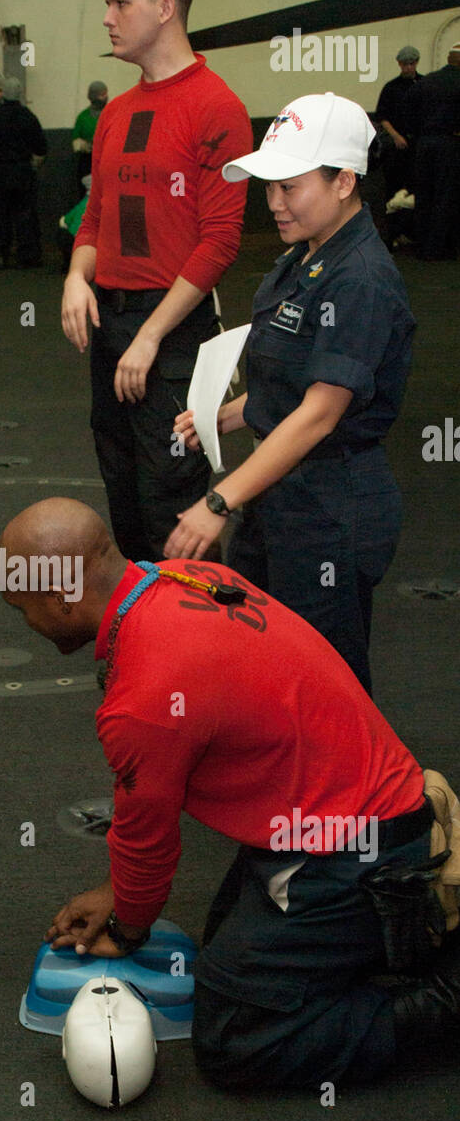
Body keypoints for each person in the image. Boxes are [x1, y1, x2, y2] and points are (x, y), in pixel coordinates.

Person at [0, 497, 460, 1092]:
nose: (27, 624)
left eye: (24, 609)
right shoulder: (189, 576)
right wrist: (120, 894)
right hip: (362, 803)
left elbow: (147, 839)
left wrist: (129, 925)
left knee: (234, 1037)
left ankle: (443, 996)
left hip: (356, 847)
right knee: (221, 954)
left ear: (62, 597)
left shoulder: (144, 698)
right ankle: (388, 930)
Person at [165, 93, 413, 696]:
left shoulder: (359, 280)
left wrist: (218, 501)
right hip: (281, 498)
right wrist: (224, 415)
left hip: (330, 508)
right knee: (262, 663)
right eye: (269, 186)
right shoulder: (304, 259)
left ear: (344, 181)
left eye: (290, 186)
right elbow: (290, 385)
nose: (273, 202)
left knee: (324, 685)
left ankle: (368, 765)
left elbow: (319, 416)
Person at [62, 0, 251, 566]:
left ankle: (196, 624)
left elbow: (220, 241)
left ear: (166, 8)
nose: (108, 18)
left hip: (172, 335)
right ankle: (147, 621)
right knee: (123, 495)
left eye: (121, 3)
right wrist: (76, 277)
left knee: (171, 507)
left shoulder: (216, 106)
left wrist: (150, 335)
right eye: (107, 4)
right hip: (111, 329)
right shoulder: (116, 113)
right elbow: (94, 220)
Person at [0, 76, 47, 268]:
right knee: (25, 214)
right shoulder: (28, 116)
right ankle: (27, 256)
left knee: (0, 214)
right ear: (19, 93)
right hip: (22, 171)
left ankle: (1, 255)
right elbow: (41, 147)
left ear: (3, 93)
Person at [412, 41, 460, 261]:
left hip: (423, 144)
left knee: (424, 195)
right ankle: (439, 248)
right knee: (445, 196)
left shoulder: (427, 81)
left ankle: (421, 246)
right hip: (449, 144)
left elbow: (408, 109)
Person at [374, 46, 422, 208]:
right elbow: (382, 116)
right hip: (396, 144)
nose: (408, 68)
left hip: (417, 143)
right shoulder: (391, 88)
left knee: (416, 183)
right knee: (394, 183)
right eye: (405, 64)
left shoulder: (424, 84)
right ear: (399, 64)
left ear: (416, 63)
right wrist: (395, 136)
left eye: (411, 64)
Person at [71, 81, 107, 199]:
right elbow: (76, 143)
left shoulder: (112, 113)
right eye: (101, 94)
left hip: (107, 161)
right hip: (88, 163)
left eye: (105, 94)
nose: (105, 97)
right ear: (93, 97)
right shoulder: (83, 117)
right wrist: (87, 146)